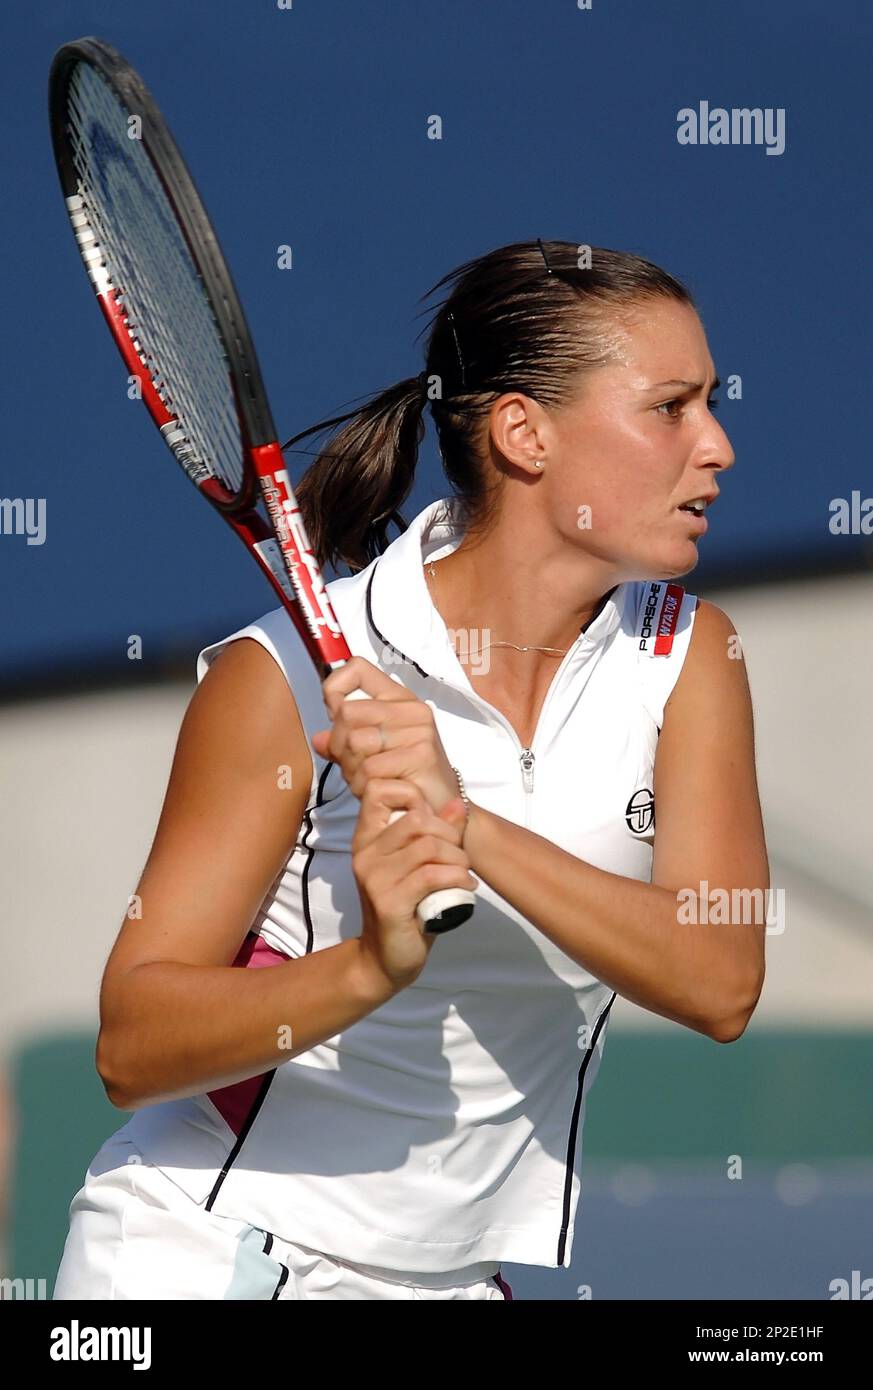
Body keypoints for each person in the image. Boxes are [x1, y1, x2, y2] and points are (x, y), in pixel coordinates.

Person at [53, 239, 768, 1301]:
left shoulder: (691, 657)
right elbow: (133, 1046)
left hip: (451, 1277)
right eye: (670, 406)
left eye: (709, 403)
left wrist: (466, 825)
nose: (718, 446)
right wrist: (367, 970)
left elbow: (720, 980)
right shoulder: (277, 676)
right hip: (201, 1253)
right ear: (524, 433)